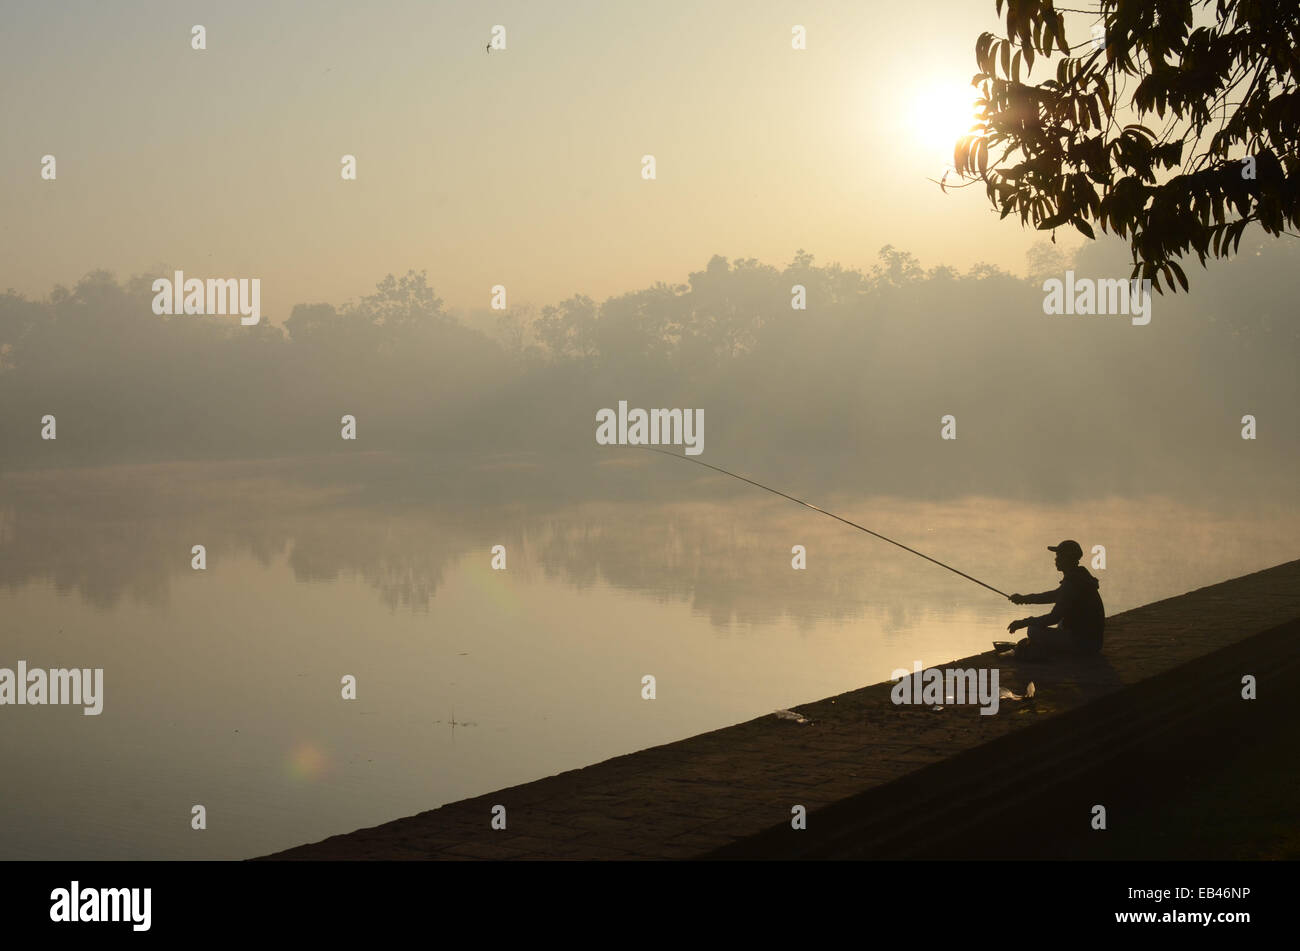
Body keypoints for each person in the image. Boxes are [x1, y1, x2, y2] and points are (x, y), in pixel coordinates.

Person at [1006, 540, 1105, 660]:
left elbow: (1053, 618)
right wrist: (1023, 599)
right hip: (1094, 642)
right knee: (1061, 624)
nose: (1055, 559)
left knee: (1033, 630)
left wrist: (1024, 622)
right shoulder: (1079, 577)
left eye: (1058, 556)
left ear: (1067, 559)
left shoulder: (1072, 583)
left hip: (1083, 644)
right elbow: (1052, 596)